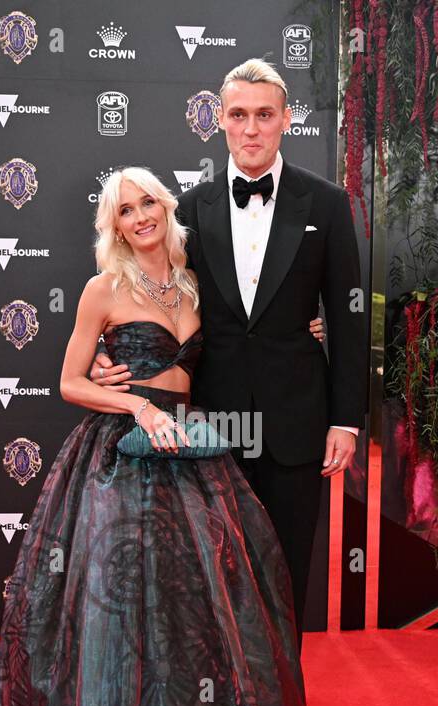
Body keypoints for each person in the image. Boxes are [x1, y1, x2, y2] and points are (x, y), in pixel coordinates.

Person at [0, 166, 309, 706]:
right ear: (116, 227)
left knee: (201, 606)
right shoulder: (102, 289)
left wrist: (308, 332)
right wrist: (134, 406)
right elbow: (70, 382)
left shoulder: (195, 283)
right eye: (126, 211)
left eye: (148, 202)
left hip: (191, 449)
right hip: (121, 456)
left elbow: (249, 338)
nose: (141, 217)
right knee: (116, 608)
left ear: (166, 206)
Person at [91, 59, 367, 650]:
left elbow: (348, 317)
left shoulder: (326, 204)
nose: (251, 129)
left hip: (298, 420)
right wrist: (107, 355)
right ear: (219, 120)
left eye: (264, 115)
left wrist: (346, 418)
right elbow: (147, 295)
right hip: (210, 424)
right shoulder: (186, 210)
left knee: (287, 574)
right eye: (238, 115)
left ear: (286, 120)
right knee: (215, 577)